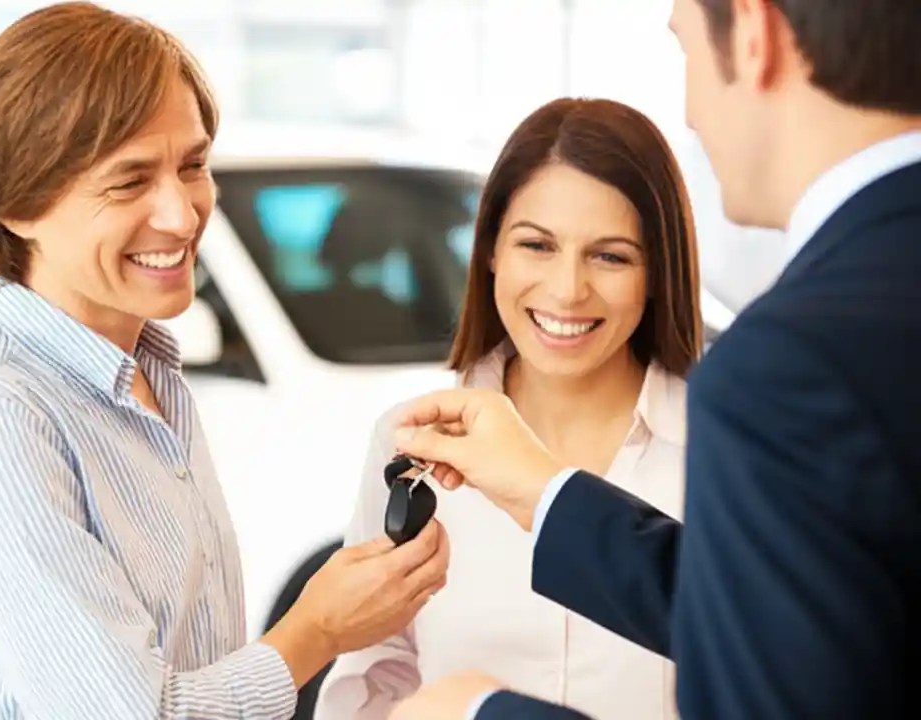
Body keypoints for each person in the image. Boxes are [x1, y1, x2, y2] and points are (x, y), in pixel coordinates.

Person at [0, 4, 450, 718]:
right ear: (16, 207)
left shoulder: (149, 372)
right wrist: (318, 629)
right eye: (129, 181)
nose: (182, 216)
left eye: (194, 166)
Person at [386, 0, 921, 718]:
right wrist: (546, 493)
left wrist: (482, 713)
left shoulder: (789, 366)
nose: (692, 114)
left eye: (685, 51)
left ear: (754, 33)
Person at [312, 97, 701, 720]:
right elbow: (372, 681)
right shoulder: (412, 442)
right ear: (490, 248)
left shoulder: (724, 454)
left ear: (656, 272)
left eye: (610, 256)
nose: (568, 289)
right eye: (537, 245)